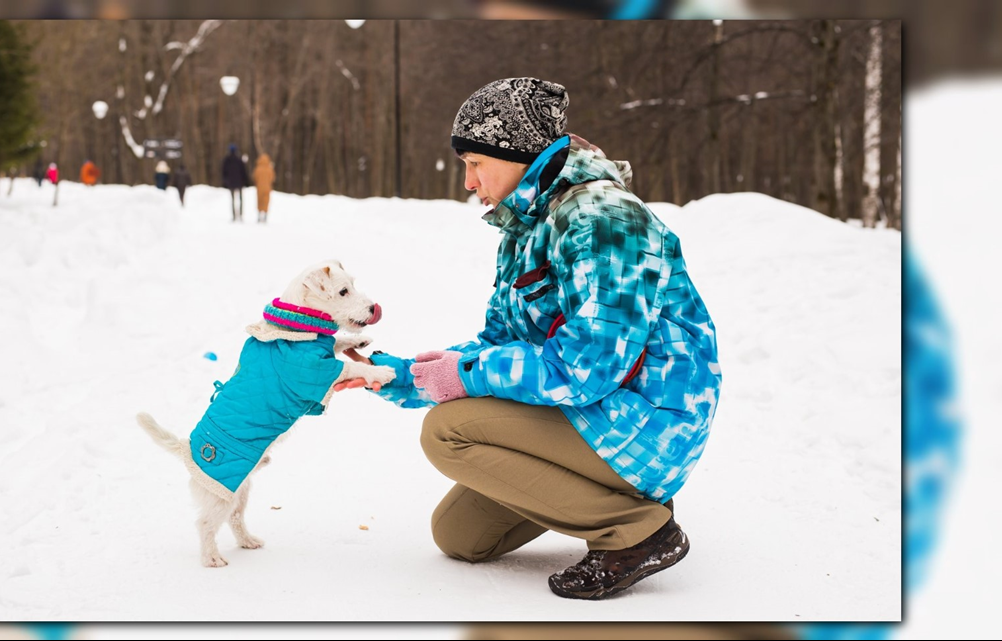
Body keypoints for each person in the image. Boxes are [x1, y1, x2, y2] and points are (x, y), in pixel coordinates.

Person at [336, 78, 721, 600]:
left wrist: (459, 379)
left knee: (447, 432)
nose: (468, 182)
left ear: (517, 153)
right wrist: (396, 375)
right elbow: (499, 342)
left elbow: (588, 368)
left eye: (475, 163)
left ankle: (638, 531)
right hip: (593, 412)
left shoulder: (604, 219)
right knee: (460, 536)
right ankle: (617, 500)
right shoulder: (526, 227)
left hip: (647, 422)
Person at [221, 144, 250, 222]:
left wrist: (225, 182)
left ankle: (234, 215)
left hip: (231, 183)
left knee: (233, 199)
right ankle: (240, 214)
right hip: (239, 182)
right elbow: (243, 172)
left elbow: (224, 173)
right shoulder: (239, 160)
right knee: (240, 199)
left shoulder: (227, 160)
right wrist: (246, 181)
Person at [252, 153, 276, 224]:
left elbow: (255, 177)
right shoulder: (269, 169)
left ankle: (259, 215)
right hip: (267, 188)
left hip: (259, 188)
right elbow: (272, 178)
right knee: (266, 201)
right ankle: (265, 215)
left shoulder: (258, 169)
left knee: (259, 201)